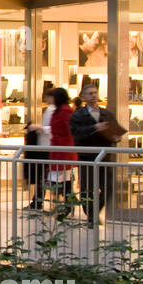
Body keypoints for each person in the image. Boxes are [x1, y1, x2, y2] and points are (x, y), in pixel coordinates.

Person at [69, 81, 124, 221]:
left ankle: (94, 212)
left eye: (95, 93)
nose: (94, 96)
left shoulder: (106, 114)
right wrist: (94, 128)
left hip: (105, 155)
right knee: (87, 188)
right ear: (83, 96)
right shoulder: (78, 115)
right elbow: (75, 132)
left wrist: (115, 137)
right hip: (87, 156)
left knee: (108, 187)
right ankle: (91, 214)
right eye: (90, 93)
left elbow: (114, 128)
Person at [43, 88, 78, 214]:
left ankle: (67, 205)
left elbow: (70, 130)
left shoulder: (65, 112)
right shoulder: (57, 111)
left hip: (63, 151)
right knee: (58, 180)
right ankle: (64, 205)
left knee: (62, 180)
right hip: (57, 149)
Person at [23, 88, 55, 210]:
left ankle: (38, 201)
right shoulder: (50, 110)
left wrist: (39, 128)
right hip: (45, 147)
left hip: (47, 148)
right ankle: (38, 200)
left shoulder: (52, 110)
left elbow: (52, 128)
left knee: (44, 177)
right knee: (44, 176)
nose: (45, 99)